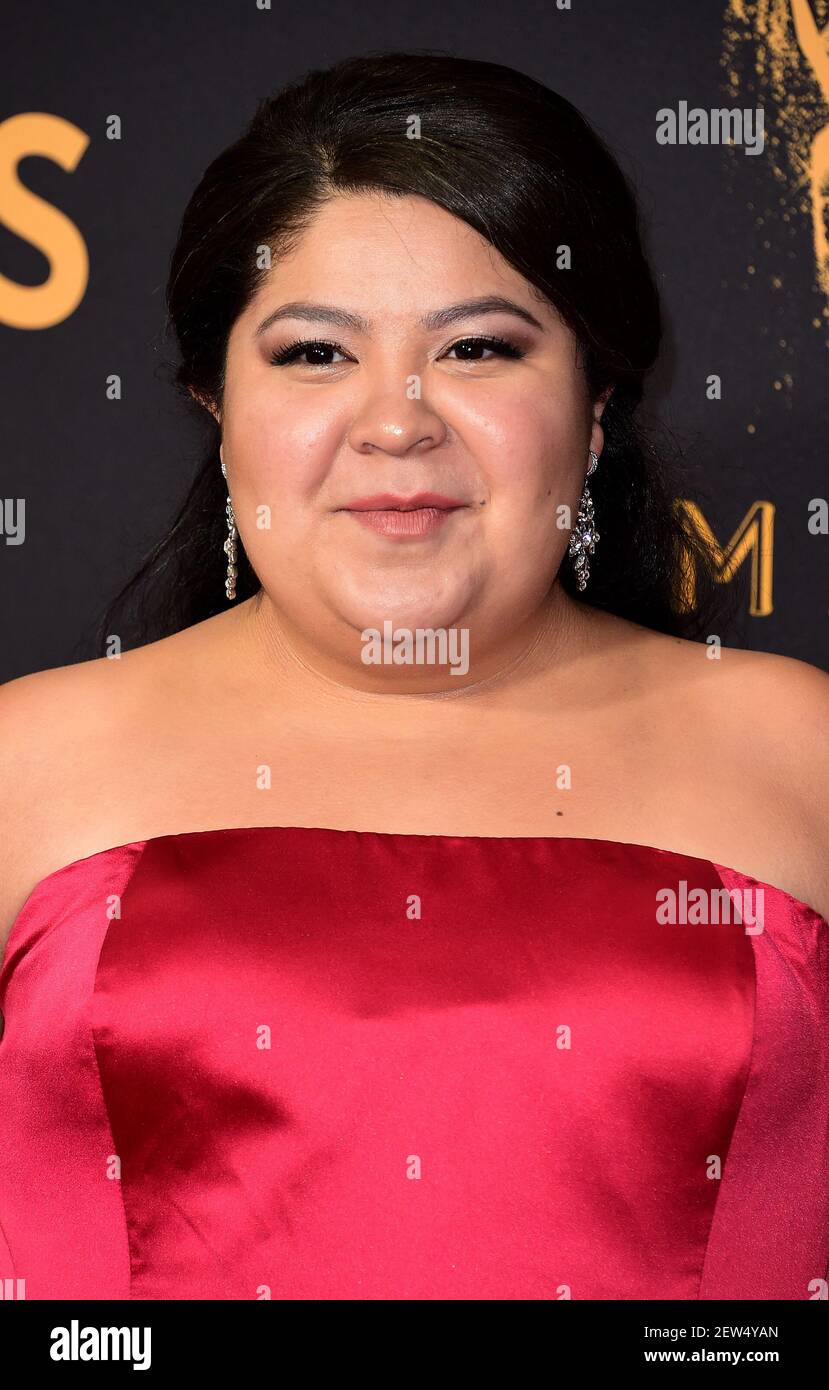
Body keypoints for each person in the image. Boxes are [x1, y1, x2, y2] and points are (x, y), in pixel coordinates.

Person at [0, 51, 827, 1301]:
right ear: (213, 405)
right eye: (315, 354)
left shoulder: (799, 749)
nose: (397, 420)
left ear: (595, 409)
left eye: (481, 349)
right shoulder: (26, 760)